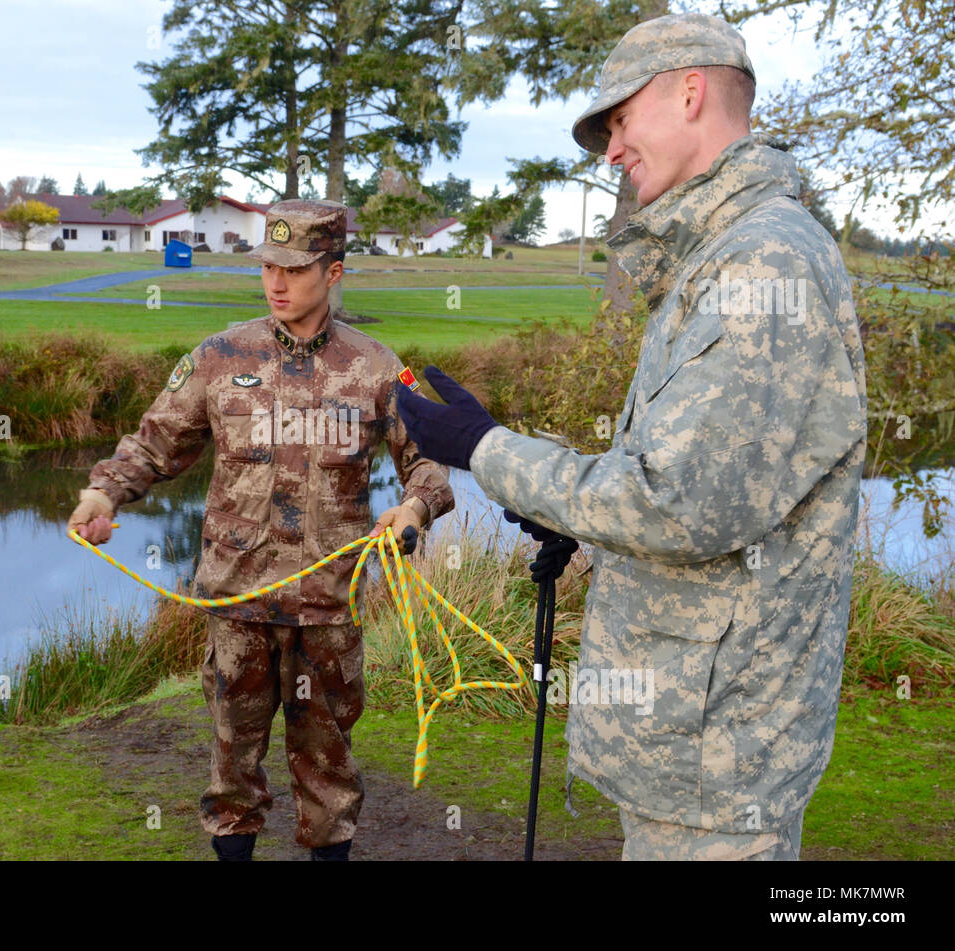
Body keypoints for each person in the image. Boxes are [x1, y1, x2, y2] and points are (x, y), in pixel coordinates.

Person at [396, 13, 866, 860]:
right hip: (692, 749)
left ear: (690, 92)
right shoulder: (717, 257)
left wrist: (486, 450)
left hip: (718, 764)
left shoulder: (764, 263)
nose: (609, 151)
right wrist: (571, 518)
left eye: (619, 121)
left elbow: (675, 502)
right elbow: (689, 479)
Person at [68, 199, 454, 861]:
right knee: (232, 775)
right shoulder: (218, 357)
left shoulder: (380, 367)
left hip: (326, 610)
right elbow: (154, 444)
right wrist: (102, 492)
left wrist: (414, 509)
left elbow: (430, 462)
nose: (277, 282)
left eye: (296, 269)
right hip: (236, 606)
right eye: (269, 266)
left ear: (333, 272)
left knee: (328, 776)